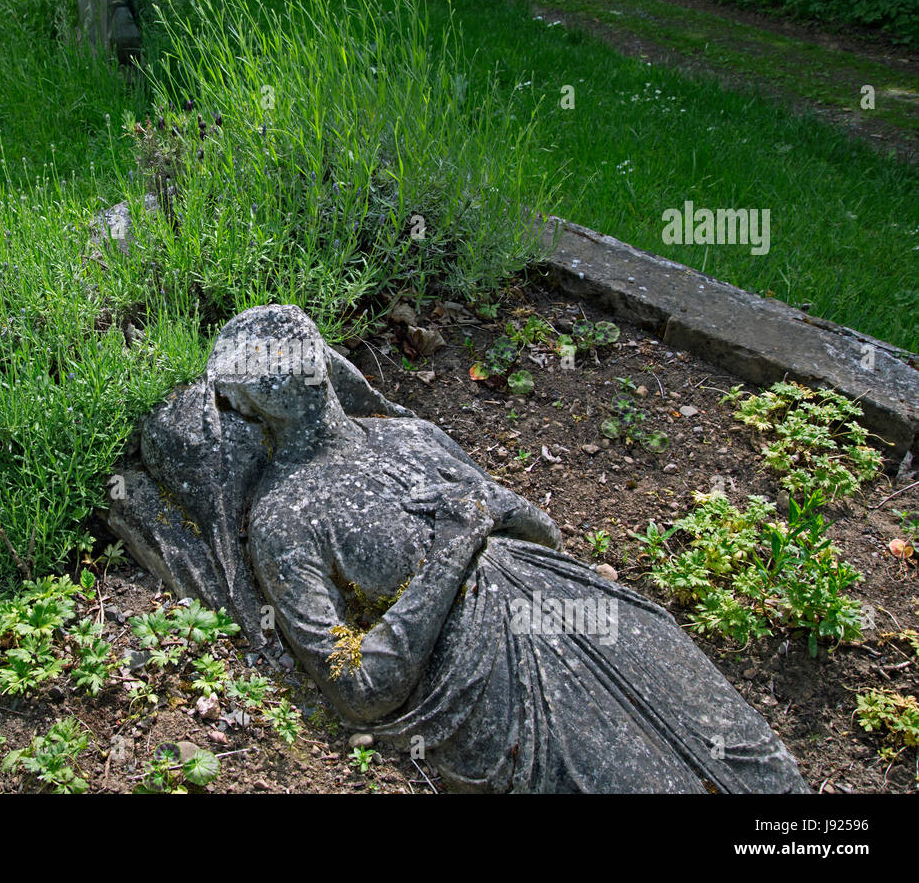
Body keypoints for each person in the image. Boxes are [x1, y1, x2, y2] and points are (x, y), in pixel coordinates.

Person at [112, 305, 808, 792]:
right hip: (487, 678)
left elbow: (541, 528)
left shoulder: (401, 435)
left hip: (566, 599)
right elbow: (356, 690)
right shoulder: (285, 516)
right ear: (256, 406)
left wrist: (489, 508)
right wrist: (452, 549)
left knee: (739, 749)